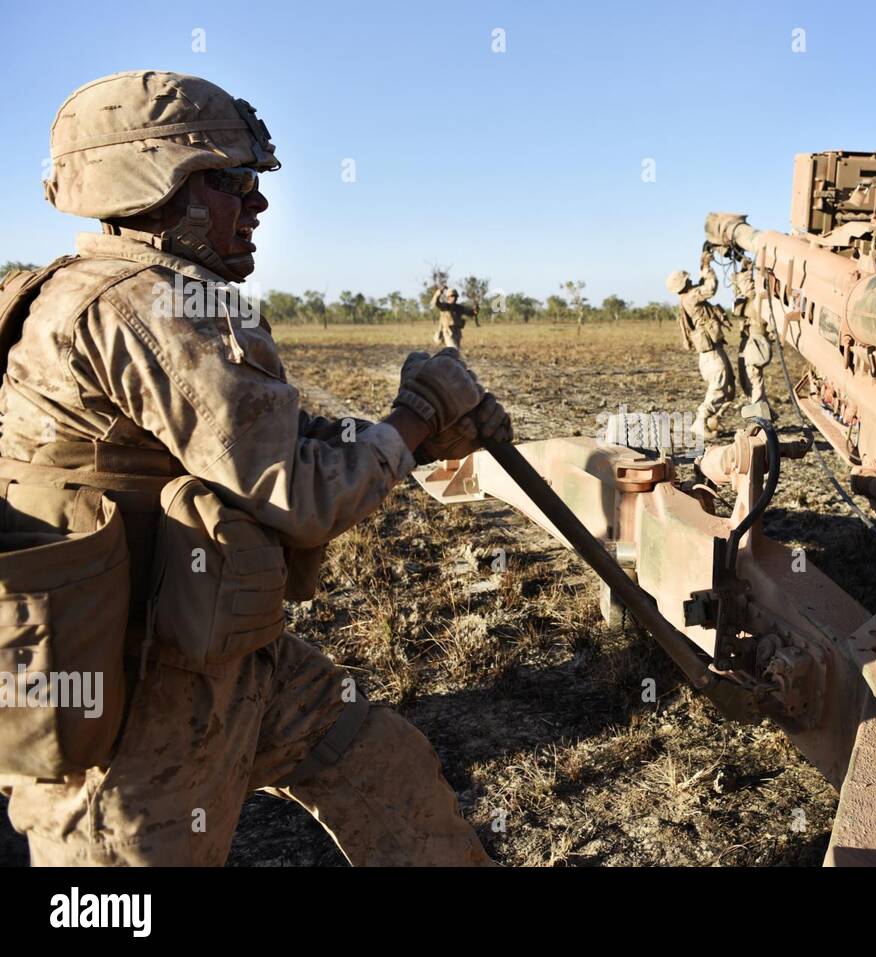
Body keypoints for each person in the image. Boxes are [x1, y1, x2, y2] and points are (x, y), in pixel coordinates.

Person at [0, 70, 509, 866]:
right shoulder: (145, 305)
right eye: (233, 181)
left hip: (221, 659)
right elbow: (299, 493)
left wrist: (415, 433)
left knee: (378, 764)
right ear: (151, 183)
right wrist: (417, 412)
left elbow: (265, 442)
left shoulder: (128, 293)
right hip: (136, 707)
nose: (257, 203)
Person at [667, 251, 734, 441]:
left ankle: (713, 419)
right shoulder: (691, 297)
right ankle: (701, 420)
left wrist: (704, 268)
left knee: (729, 388)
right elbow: (710, 287)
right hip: (711, 353)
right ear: (684, 284)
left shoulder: (687, 297)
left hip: (712, 349)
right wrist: (706, 268)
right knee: (719, 386)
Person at [732, 259, 775, 422]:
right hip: (755, 342)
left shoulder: (758, 298)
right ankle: (767, 415)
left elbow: (748, 289)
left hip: (756, 343)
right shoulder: (762, 298)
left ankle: (759, 420)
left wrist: (746, 272)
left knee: (754, 382)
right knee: (751, 382)